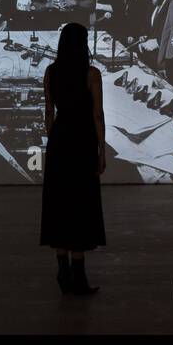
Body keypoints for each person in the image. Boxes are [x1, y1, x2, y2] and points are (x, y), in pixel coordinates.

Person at [40, 22, 106, 295]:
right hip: (82, 141)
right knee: (80, 204)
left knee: (59, 203)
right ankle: (79, 276)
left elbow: (48, 113)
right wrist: (101, 149)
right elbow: (98, 114)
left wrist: (53, 139)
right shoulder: (91, 73)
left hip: (60, 141)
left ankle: (62, 269)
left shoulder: (51, 71)